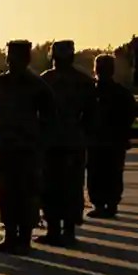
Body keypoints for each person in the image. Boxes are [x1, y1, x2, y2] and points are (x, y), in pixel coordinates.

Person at [0, 40, 55, 254]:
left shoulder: (36, 85)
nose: (12, 60)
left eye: (16, 56)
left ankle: (23, 237)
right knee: (7, 192)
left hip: (26, 149)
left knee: (26, 192)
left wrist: (36, 138)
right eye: (11, 56)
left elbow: (49, 116)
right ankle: (11, 235)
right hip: (7, 147)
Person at [38, 40, 96, 246]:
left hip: (54, 142)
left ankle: (57, 229)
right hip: (71, 141)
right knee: (68, 187)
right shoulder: (84, 81)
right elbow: (91, 116)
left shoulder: (45, 81)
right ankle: (66, 230)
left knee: (54, 186)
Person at [86, 54, 136, 218]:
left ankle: (101, 204)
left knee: (99, 173)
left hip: (102, 140)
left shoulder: (91, 92)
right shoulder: (121, 93)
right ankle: (109, 203)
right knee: (111, 173)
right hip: (111, 140)